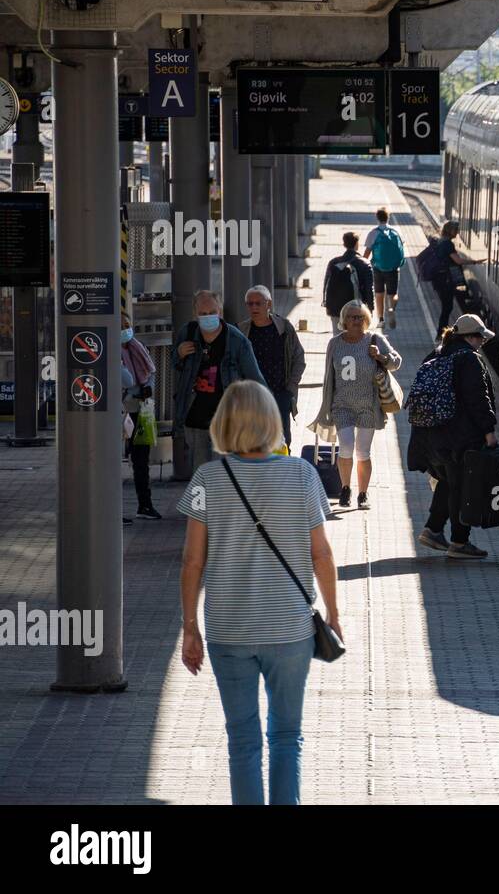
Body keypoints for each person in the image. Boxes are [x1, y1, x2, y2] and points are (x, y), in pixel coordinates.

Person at [177, 380, 341, 806]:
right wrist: (334, 614)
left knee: (242, 740)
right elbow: (322, 554)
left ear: (223, 423)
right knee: (286, 735)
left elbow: (192, 562)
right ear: (271, 422)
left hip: (228, 631)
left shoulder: (207, 478)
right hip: (290, 630)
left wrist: (190, 628)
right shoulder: (302, 474)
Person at [407, 314, 497, 561]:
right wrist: (489, 431)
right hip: (460, 435)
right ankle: (459, 542)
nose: (482, 343)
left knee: (447, 481)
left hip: (431, 433)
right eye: (480, 338)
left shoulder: (436, 354)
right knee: (462, 487)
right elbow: (478, 399)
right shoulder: (469, 359)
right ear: (470, 337)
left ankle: (433, 530)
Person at [308, 300, 402, 509]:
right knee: (346, 446)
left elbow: (396, 362)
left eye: (360, 317)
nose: (356, 321)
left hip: (368, 406)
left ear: (366, 319)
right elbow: (329, 377)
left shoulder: (374, 340)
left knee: (363, 451)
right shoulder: (335, 343)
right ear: (344, 320)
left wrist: (381, 356)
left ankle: (363, 494)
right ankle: (345, 489)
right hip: (342, 405)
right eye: (352, 317)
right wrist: (326, 405)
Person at [174, 289, 267, 468]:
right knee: (200, 472)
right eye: (202, 314)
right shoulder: (188, 333)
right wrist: (179, 354)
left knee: (224, 472)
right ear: (195, 314)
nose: (207, 317)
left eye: (212, 312)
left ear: (220, 312)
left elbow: (256, 379)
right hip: (195, 417)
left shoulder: (237, 341)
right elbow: (177, 365)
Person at [239, 285, 306, 448]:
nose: (254, 307)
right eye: (250, 304)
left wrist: (290, 389)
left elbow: (299, 358)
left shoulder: (284, 328)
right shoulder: (241, 330)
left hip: (280, 394)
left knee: (281, 443)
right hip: (252, 397)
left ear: (268, 304)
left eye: (258, 303)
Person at [121, 315, 160, 519]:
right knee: (113, 460)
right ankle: (112, 511)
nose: (125, 330)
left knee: (141, 460)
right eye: (120, 327)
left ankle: (145, 505)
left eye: (127, 326)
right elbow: (127, 380)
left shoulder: (138, 347)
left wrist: (148, 388)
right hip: (122, 413)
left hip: (141, 411)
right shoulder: (110, 351)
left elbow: (151, 371)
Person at [414, 221, 483, 332]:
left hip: (438, 279)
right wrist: (475, 262)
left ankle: (442, 331)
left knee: (447, 307)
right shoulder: (448, 244)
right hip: (444, 280)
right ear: (450, 230)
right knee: (447, 307)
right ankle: (441, 332)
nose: (457, 232)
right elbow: (458, 260)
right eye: (456, 230)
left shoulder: (440, 241)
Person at [322, 232, 375, 333]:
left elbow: (326, 284)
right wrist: (370, 309)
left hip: (335, 307)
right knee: (356, 336)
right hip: (356, 308)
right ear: (357, 244)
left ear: (344, 244)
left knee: (337, 336)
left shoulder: (334, 262)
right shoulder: (364, 263)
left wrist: (326, 303)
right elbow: (369, 289)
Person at [362, 208, 406, 329]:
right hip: (393, 269)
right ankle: (391, 308)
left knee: (379, 294)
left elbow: (366, 254)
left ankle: (381, 320)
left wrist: (363, 265)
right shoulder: (396, 231)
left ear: (377, 218)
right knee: (393, 293)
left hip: (377, 268)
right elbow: (401, 248)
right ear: (388, 217)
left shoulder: (373, 233)